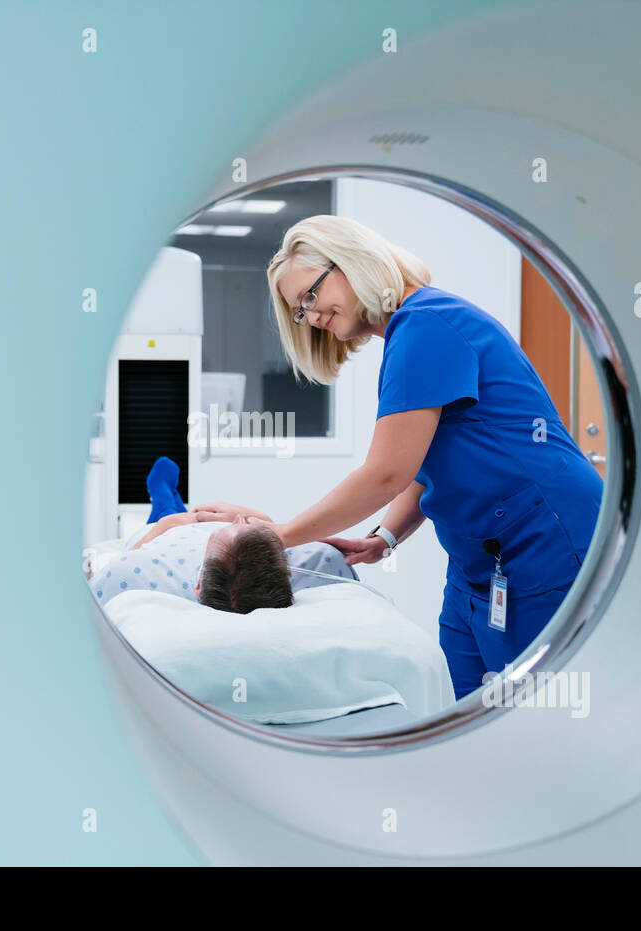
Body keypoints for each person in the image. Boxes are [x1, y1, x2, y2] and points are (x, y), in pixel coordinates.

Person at [193, 215, 602, 697]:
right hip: (478, 561)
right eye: (300, 311)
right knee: (461, 706)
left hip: (546, 543)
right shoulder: (409, 334)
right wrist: (384, 537)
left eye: (310, 296)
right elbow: (422, 467)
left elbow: (387, 473)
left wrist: (276, 536)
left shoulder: (427, 323)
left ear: (349, 263)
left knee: (534, 717)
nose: (312, 316)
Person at [88, 457, 358, 614]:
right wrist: (247, 519)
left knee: (168, 510)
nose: (240, 519)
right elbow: (275, 530)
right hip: (219, 535)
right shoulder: (305, 566)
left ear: (197, 585)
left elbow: (128, 558)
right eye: (246, 524)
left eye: (233, 525)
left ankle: (161, 497)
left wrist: (167, 527)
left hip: (171, 536)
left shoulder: (145, 569)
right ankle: (171, 499)